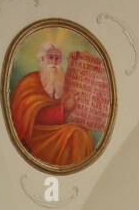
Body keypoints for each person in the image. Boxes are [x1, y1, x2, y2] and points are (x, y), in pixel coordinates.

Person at [10, 41, 96, 170]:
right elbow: (30, 116)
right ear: (42, 59)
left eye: (58, 58)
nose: (55, 62)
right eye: (51, 57)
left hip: (58, 130)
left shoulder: (62, 83)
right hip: (36, 135)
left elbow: (70, 111)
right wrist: (63, 110)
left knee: (82, 134)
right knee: (76, 134)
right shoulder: (30, 81)